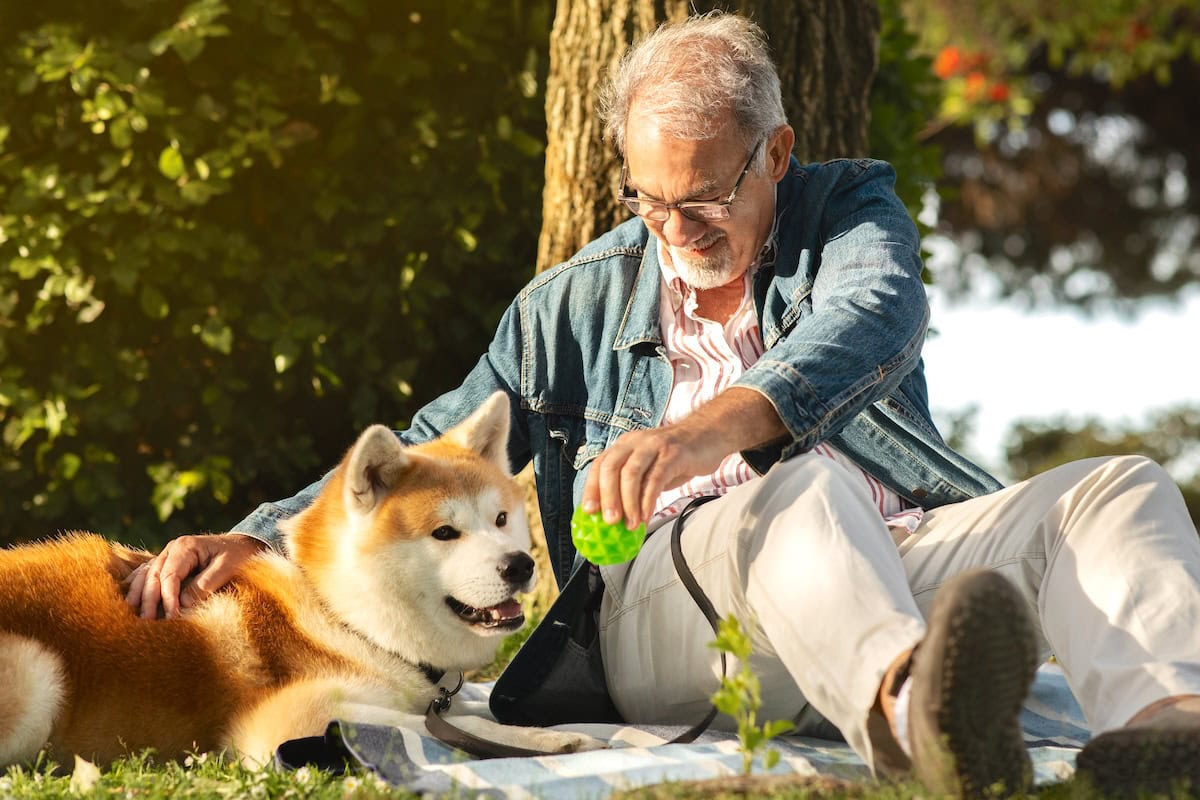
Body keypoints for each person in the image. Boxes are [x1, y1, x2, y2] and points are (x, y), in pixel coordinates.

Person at [125, 12, 1200, 797]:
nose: (677, 230)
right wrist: (260, 534)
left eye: (708, 197)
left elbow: (873, 315)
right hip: (669, 613)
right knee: (802, 492)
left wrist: (702, 429)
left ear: (777, 154)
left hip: (885, 559)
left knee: (1116, 489)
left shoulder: (849, 213)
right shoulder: (572, 303)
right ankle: (929, 726)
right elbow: (422, 448)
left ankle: (1167, 735)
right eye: (651, 199)